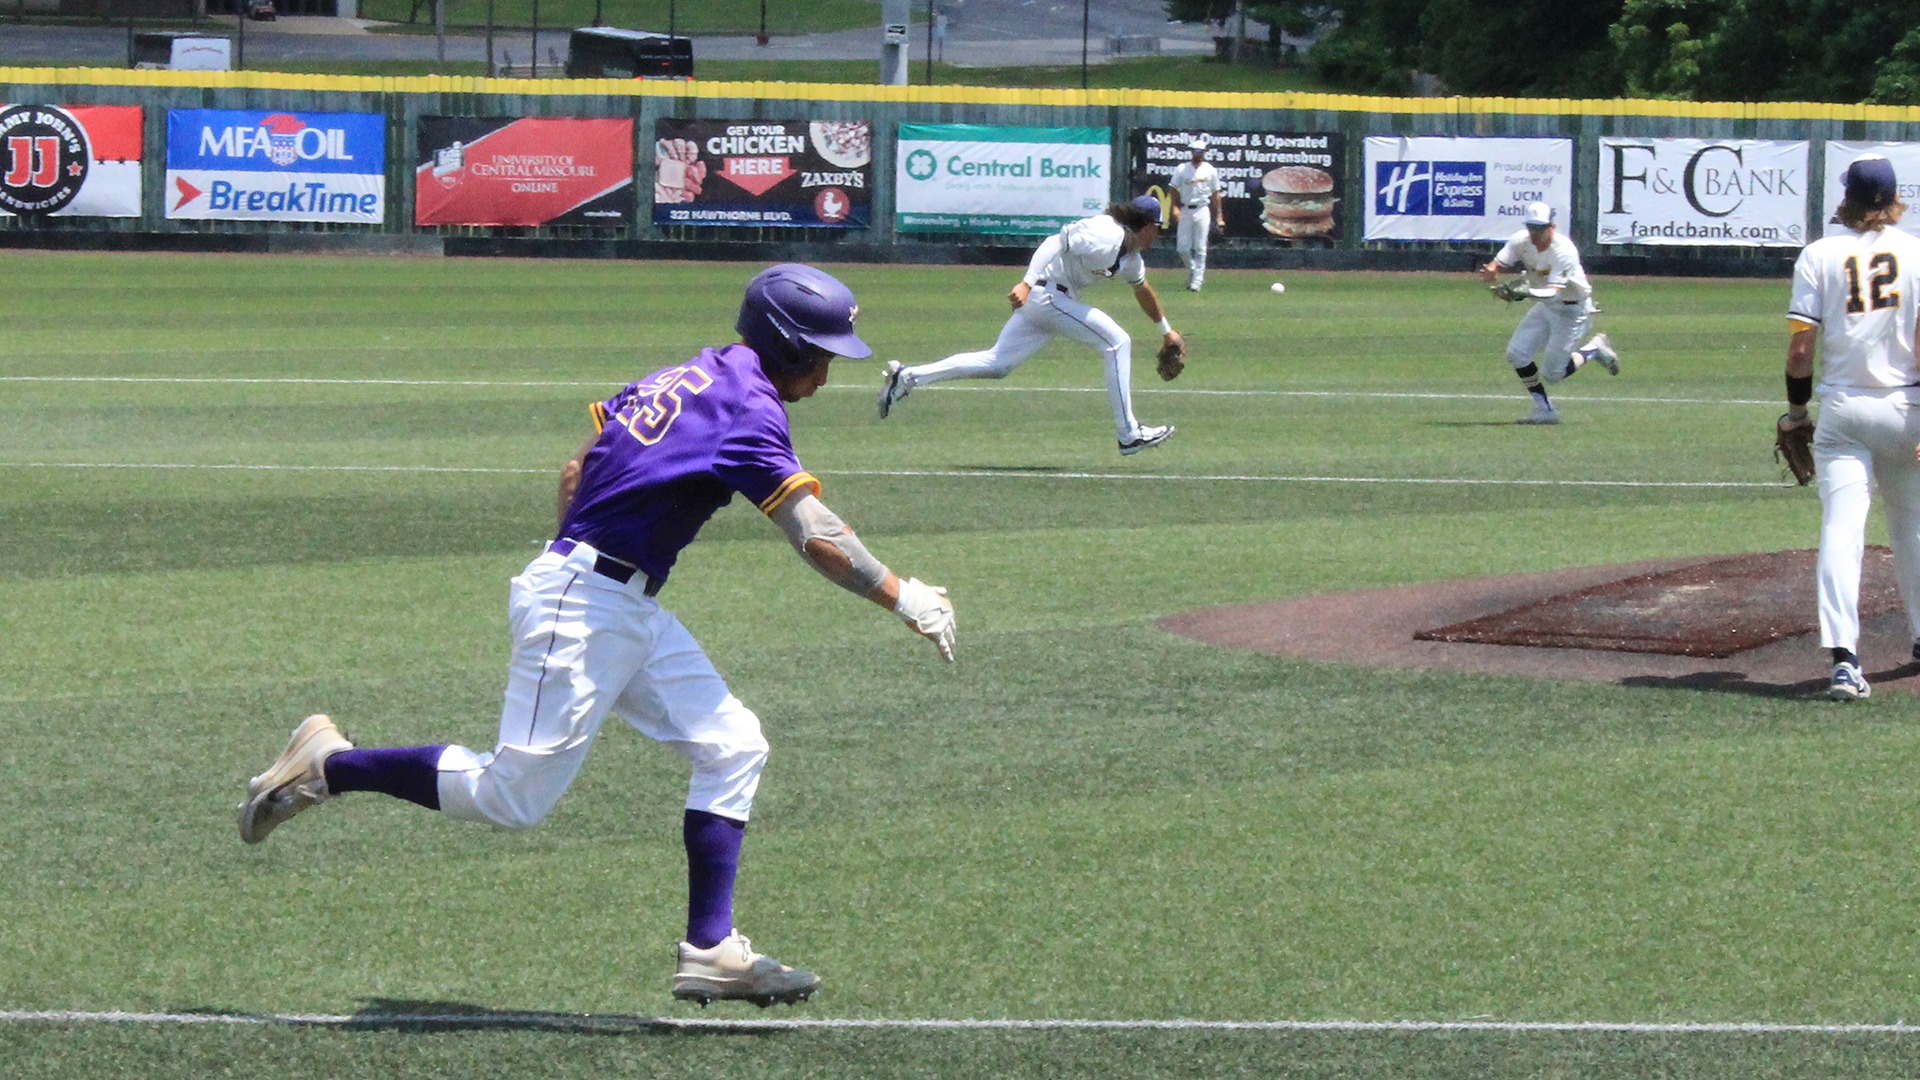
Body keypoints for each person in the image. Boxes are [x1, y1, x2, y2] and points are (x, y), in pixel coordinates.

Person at [236, 264, 958, 1006]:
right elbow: (816, 534)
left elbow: (577, 465)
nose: (832, 368)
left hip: (614, 600)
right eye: (825, 351)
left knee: (734, 744)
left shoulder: (687, 373)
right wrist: (906, 597)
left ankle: (710, 949)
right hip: (589, 603)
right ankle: (333, 765)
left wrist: (573, 560)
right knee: (511, 796)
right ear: (789, 347)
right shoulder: (751, 408)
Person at [876, 194, 1182, 456]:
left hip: (1051, 302)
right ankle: (1129, 434)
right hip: (1045, 295)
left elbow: (1142, 290)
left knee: (996, 364)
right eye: (1157, 228)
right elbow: (1054, 242)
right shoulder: (1105, 232)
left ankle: (907, 376)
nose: (1158, 234)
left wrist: (1166, 331)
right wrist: (1026, 282)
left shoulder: (1131, 257)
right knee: (1117, 341)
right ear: (1146, 225)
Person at [1783, 154, 1920, 701]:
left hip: (1843, 411)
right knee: (1911, 527)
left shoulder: (1818, 253)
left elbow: (1800, 349)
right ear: (1892, 200)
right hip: (1906, 408)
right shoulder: (1915, 252)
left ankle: (1844, 660)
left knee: (1843, 531)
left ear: (1846, 198)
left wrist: (1796, 413)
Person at [1477, 201, 1620, 425]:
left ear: (1551, 227)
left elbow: (1552, 293)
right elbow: (1499, 261)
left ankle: (1594, 349)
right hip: (1546, 307)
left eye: (1540, 228)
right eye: (1531, 227)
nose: (1535, 233)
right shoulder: (1521, 241)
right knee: (1516, 353)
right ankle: (1545, 410)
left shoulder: (1564, 251)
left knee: (1553, 374)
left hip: (1573, 310)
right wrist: (1492, 270)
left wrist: (1522, 293)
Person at [1168, 137, 1224, 292]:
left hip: (1202, 209)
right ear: (1191, 151)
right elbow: (1173, 188)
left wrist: (1219, 216)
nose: (1198, 153)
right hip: (1186, 208)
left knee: (1200, 247)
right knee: (1182, 248)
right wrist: (1175, 207)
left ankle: (1197, 281)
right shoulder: (1182, 169)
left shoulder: (1210, 170)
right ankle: (1193, 270)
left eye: (1200, 151)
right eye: (1195, 150)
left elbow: (1216, 194)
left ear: (1205, 152)